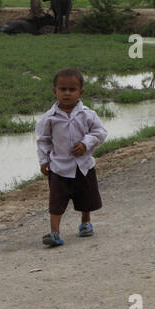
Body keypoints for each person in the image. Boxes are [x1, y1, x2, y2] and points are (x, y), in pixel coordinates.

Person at [36, 68, 108, 247]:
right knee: (56, 200)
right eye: (62, 89)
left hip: (83, 165)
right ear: (55, 91)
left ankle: (85, 222)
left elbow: (100, 132)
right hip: (59, 166)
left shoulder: (87, 114)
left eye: (72, 89)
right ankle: (55, 232)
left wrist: (86, 143)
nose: (67, 93)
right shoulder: (49, 118)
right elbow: (43, 141)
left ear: (80, 92)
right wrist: (44, 161)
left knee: (86, 197)